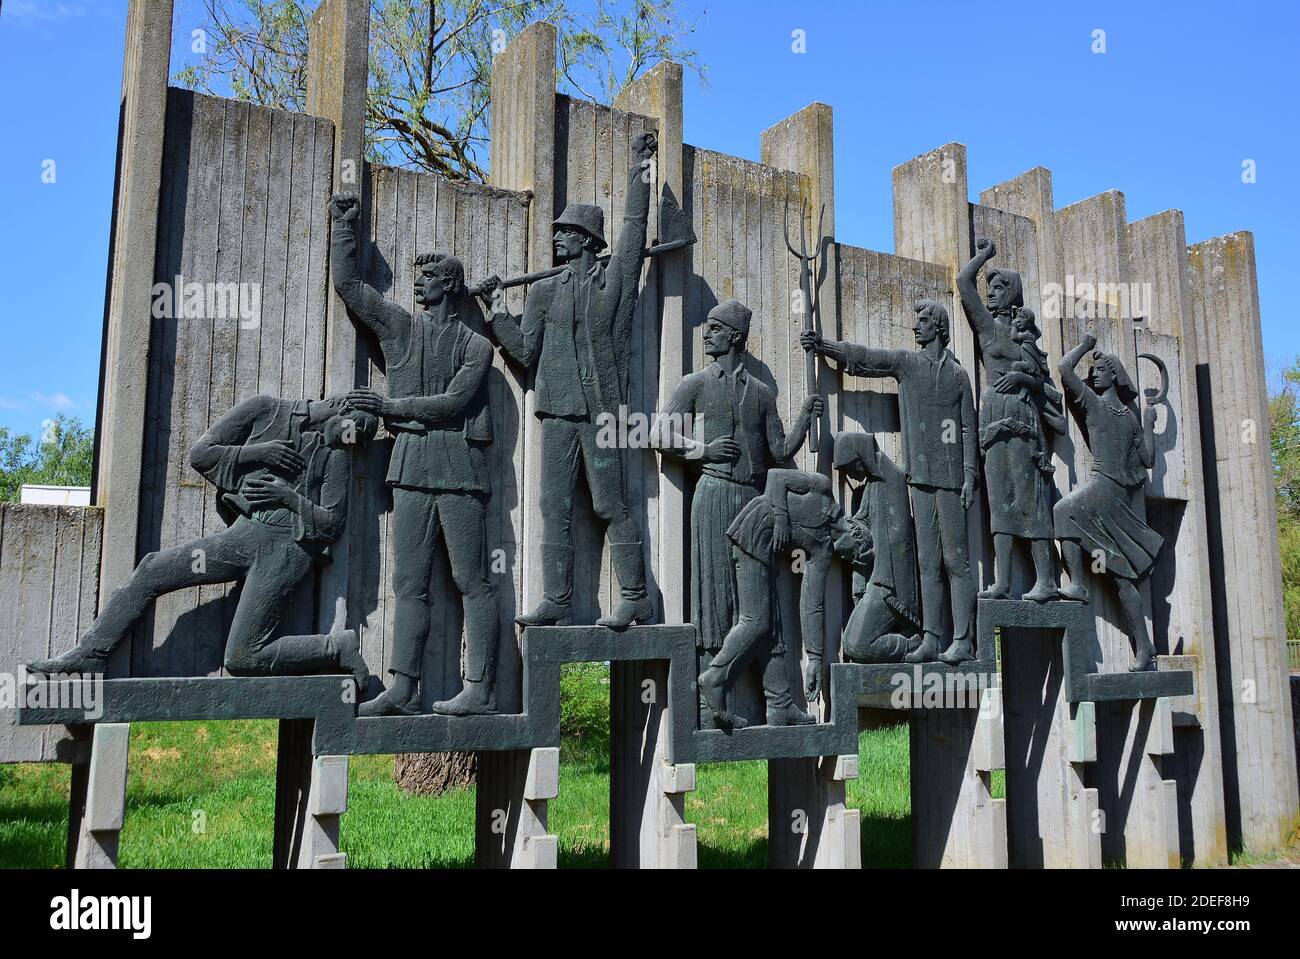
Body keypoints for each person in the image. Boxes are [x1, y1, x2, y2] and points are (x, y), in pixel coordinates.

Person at [28, 395, 376, 689]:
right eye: (352, 428)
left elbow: (331, 524)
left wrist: (287, 497)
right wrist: (257, 453)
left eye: (357, 438)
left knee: (242, 657)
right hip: (247, 532)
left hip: (288, 550)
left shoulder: (336, 454)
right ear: (340, 406)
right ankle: (90, 656)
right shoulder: (265, 410)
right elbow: (201, 454)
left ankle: (335, 648)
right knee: (153, 568)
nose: (350, 438)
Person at [478, 132, 659, 630]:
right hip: (557, 411)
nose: (557, 237)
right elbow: (524, 352)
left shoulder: (615, 281)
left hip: (601, 414)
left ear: (588, 241)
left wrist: (641, 167)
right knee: (551, 505)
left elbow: (634, 229)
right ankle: (556, 602)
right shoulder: (543, 291)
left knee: (609, 503)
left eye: (567, 231)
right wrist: (497, 311)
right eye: (557, 231)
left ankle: (637, 598)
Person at [330, 192, 500, 716]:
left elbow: (453, 405)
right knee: (409, 584)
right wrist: (344, 226)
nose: (417, 284)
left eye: (427, 277)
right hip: (410, 469)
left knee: (472, 580)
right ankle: (404, 689)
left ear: (449, 285)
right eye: (417, 277)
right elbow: (350, 287)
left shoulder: (477, 347)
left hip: (460, 472)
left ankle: (480, 689)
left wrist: (389, 407)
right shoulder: (400, 329)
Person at [652, 298, 821, 716]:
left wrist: (805, 416)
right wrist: (702, 450)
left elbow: (779, 451)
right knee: (714, 598)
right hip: (712, 497)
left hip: (753, 501)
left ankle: (779, 702)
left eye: (714, 328)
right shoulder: (694, 384)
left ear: (734, 336)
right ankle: (710, 706)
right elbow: (659, 434)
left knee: (765, 601)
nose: (706, 334)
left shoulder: (761, 393)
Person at [801, 300, 979, 664]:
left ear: (939, 327)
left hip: (951, 480)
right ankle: (931, 639)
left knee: (956, 562)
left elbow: (967, 429)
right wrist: (824, 346)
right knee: (928, 562)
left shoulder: (959, 377)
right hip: (921, 479)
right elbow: (868, 359)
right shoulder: (907, 364)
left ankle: (963, 640)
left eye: (923, 321)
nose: (916, 327)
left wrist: (970, 476)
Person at [699, 468, 855, 728]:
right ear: (855, 532)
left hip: (766, 550)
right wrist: (781, 519)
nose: (850, 558)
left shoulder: (824, 550)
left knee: (771, 630)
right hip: (755, 531)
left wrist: (815, 659)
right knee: (756, 622)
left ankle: (780, 704)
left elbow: (812, 604)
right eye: (856, 553)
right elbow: (775, 477)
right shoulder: (822, 487)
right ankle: (714, 679)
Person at [957, 239, 1061, 602]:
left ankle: (1046, 580)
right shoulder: (987, 328)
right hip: (994, 415)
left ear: (1012, 293)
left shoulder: (1025, 335)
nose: (991, 293)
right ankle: (1002, 581)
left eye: (999, 287)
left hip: (1023, 417)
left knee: (1031, 497)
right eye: (990, 288)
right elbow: (963, 282)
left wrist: (1021, 377)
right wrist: (984, 256)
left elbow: (1041, 381)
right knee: (999, 497)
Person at [1055, 334, 1164, 670]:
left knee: (1062, 511)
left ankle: (1078, 585)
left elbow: (1147, 459)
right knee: (1121, 578)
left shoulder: (1125, 416)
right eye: (1092, 371)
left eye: (1099, 370)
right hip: (1106, 493)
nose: (1093, 375)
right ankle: (1145, 647)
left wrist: (1148, 424)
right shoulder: (1096, 404)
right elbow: (1065, 370)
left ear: (1115, 375)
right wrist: (1086, 347)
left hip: (1111, 494)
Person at [833, 433, 922, 663]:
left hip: (889, 585)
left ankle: (910, 644)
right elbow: (865, 521)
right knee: (851, 643)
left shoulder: (891, 479)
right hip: (878, 580)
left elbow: (899, 538)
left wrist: (869, 552)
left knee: (856, 645)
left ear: (860, 457)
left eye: (850, 468)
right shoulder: (873, 485)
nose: (851, 475)